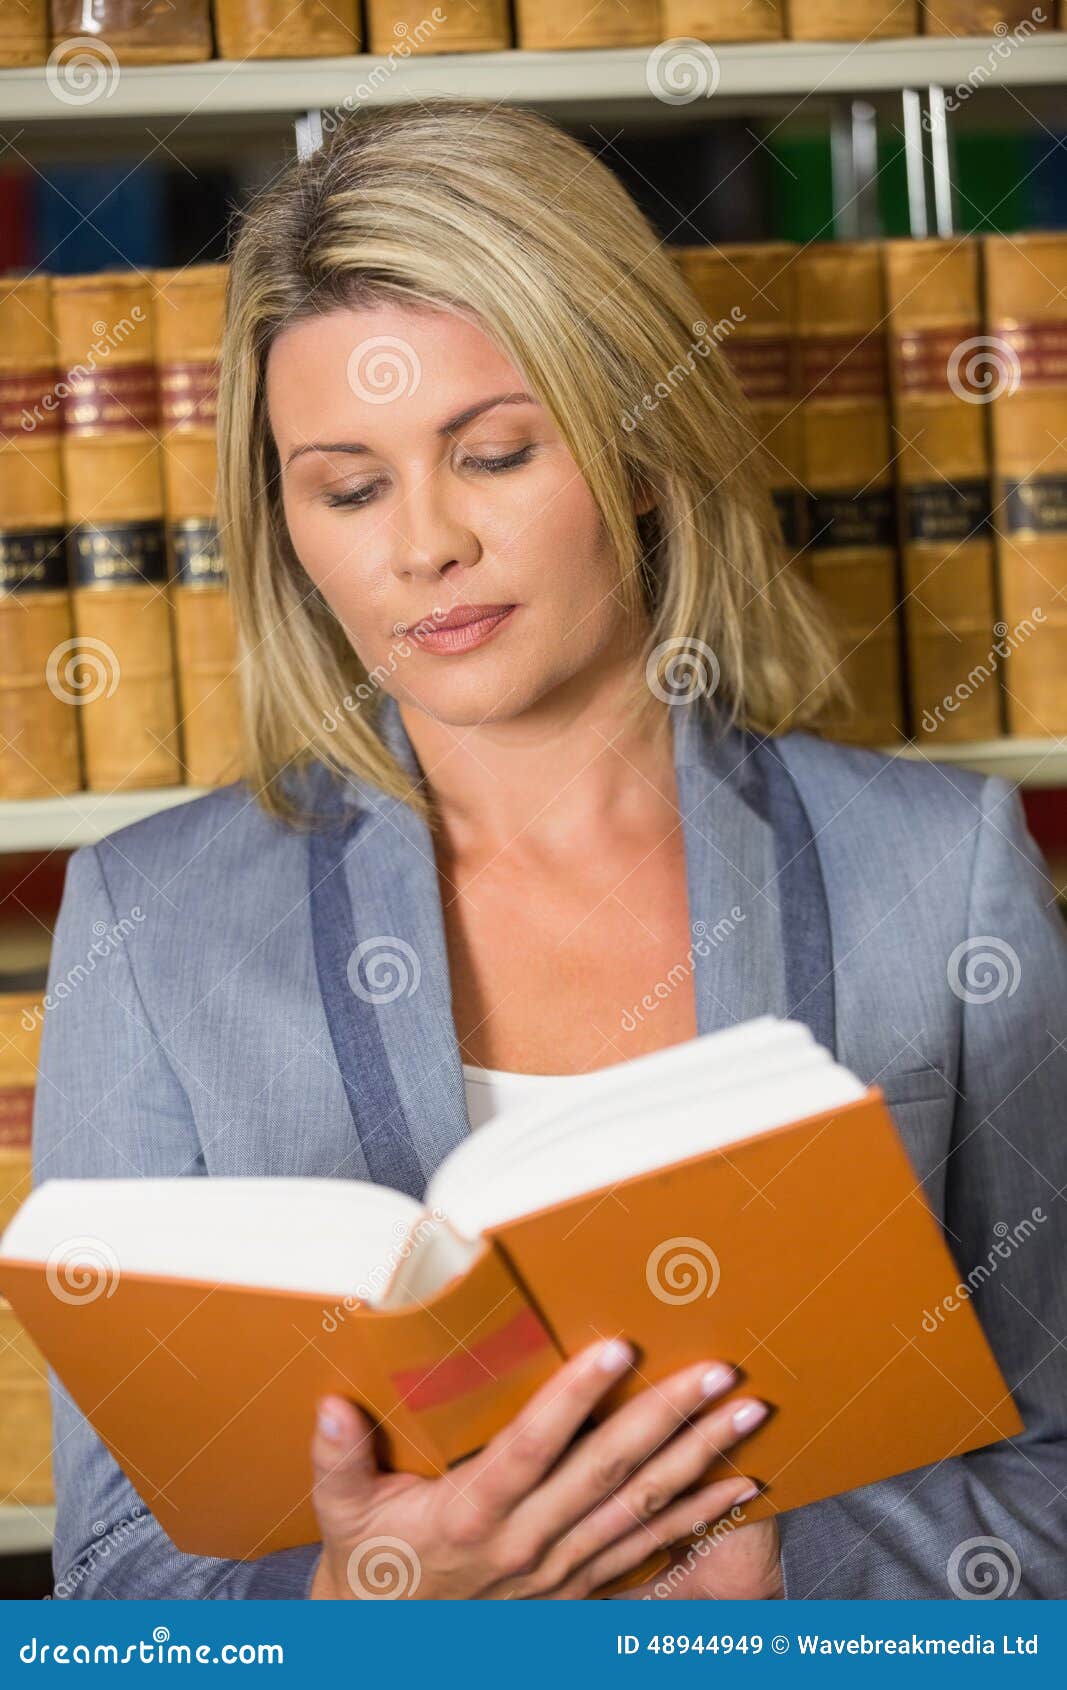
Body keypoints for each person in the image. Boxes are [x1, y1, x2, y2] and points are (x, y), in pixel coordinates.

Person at [34, 100, 1067, 1601]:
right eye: (350, 484)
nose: (425, 545)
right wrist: (356, 1603)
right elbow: (112, 1580)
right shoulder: (152, 922)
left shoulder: (942, 866)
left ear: (640, 449)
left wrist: (747, 1550)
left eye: (496, 453)